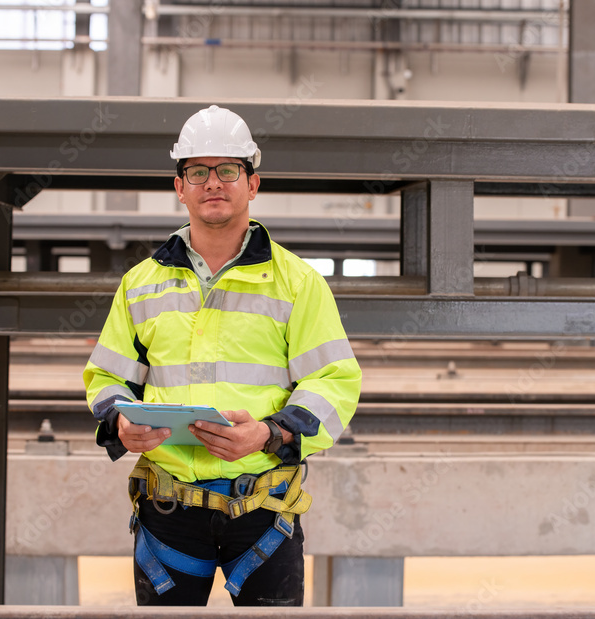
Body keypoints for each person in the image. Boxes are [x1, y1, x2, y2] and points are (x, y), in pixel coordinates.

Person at [83, 104, 362, 607]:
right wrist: (121, 423)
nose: (213, 182)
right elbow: (107, 375)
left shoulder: (298, 283)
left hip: (264, 511)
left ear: (252, 184)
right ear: (180, 187)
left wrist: (271, 432)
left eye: (228, 169)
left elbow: (333, 381)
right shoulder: (139, 284)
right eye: (197, 171)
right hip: (168, 512)